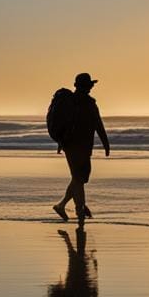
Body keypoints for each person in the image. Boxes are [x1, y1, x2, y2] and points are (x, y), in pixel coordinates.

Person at [53, 72, 110, 224]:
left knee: (81, 178)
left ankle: (62, 205)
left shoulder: (73, 102)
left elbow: (67, 124)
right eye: (90, 85)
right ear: (86, 86)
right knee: (79, 177)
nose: (91, 87)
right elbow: (98, 124)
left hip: (73, 145)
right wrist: (106, 144)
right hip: (77, 146)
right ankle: (80, 209)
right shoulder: (87, 103)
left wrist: (60, 143)